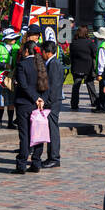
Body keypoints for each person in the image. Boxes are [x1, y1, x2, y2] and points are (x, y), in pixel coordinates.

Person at [14, 38, 50, 173]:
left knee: (25, 135)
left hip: (24, 103)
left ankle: (22, 164)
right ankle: (36, 162)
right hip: (38, 105)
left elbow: (23, 85)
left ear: (27, 50)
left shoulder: (22, 65)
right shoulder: (41, 64)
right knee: (38, 134)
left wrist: (36, 98)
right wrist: (42, 100)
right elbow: (47, 85)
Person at [40, 39, 64, 167]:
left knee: (53, 129)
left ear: (47, 52)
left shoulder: (53, 64)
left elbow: (53, 86)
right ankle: (51, 156)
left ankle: (54, 157)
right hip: (52, 101)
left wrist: (47, 102)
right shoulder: (52, 62)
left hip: (53, 102)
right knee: (50, 129)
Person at [68, 25, 95, 113]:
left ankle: (74, 103)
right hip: (88, 67)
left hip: (76, 67)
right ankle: (94, 102)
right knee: (91, 86)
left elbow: (71, 55)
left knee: (76, 87)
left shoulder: (73, 43)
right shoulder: (89, 42)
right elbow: (94, 54)